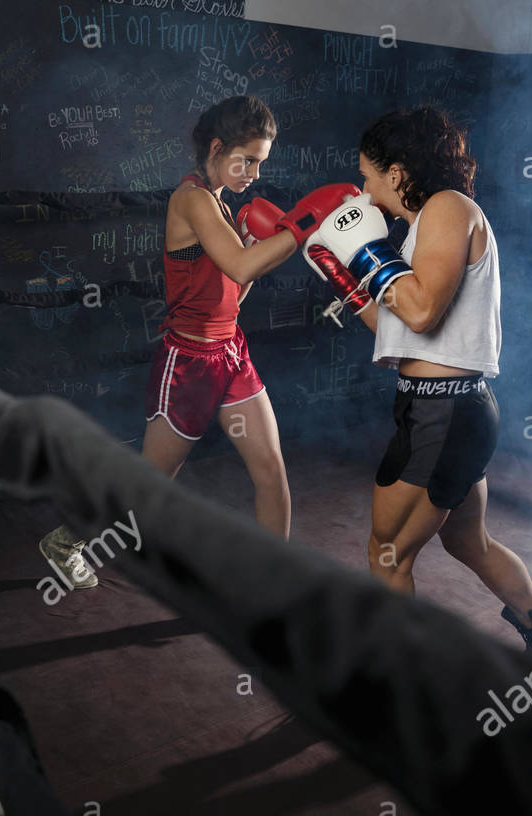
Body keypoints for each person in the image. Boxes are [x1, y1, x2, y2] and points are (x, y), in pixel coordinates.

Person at [40, 95, 357, 584]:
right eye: (247, 159)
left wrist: (260, 246)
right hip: (188, 362)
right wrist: (306, 222)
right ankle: (68, 538)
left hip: (231, 353)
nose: (253, 172)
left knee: (271, 470)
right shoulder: (191, 200)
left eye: (260, 162)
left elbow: (236, 287)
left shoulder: (224, 207)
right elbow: (241, 265)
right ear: (217, 147)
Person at [303, 105, 532, 657]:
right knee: (466, 539)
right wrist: (348, 282)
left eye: (369, 174)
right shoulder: (419, 230)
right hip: (435, 408)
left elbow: (425, 310)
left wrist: (365, 251)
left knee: (388, 553)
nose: (363, 187)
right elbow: (400, 331)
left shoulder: (450, 209)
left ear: (398, 172)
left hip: (446, 411)